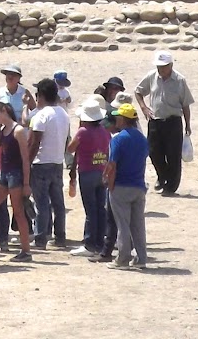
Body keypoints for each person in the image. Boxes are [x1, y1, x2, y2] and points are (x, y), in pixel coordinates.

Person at [134, 51, 194, 196]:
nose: (161, 69)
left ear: (171, 65)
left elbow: (185, 104)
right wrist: (143, 107)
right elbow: (138, 91)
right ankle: (162, 176)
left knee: (173, 155)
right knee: (154, 152)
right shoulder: (151, 76)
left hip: (173, 121)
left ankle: (171, 187)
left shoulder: (179, 80)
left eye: (164, 66)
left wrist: (187, 124)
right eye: (159, 66)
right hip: (155, 121)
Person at [0, 98, 33, 262]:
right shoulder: (3, 130)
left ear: (4, 111)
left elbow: (25, 159)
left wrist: (26, 183)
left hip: (16, 174)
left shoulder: (18, 131)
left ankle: (26, 250)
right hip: (4, 173)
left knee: (18, 213)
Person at [25, 76, 70, 250]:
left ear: (41, 96)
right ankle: (60, 237)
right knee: (58, 203)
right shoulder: (64, 114)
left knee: (41, 203)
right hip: (57, 162)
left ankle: (40, 238)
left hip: (41, 163)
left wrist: (27, 164)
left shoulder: (41, 116)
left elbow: (34, 143)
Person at [105, 101, 150, 269]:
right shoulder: (142, 139)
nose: (116, 120)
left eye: (118, 118)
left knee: (122, 224)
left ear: (123, 120)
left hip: (121, 185)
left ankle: (123, 258)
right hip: (138, 185)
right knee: (138, 224)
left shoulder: (118, 139)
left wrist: (110, 185)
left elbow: (112, 165)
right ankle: (141, 258)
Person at [70, 97, 113, 258]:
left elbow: (70, 148)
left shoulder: (82, 132)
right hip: (101, 171)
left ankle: (89, 243)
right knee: (100, 209)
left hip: (87, 172)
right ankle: (100, 242)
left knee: (90, 210)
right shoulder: (104, 131)